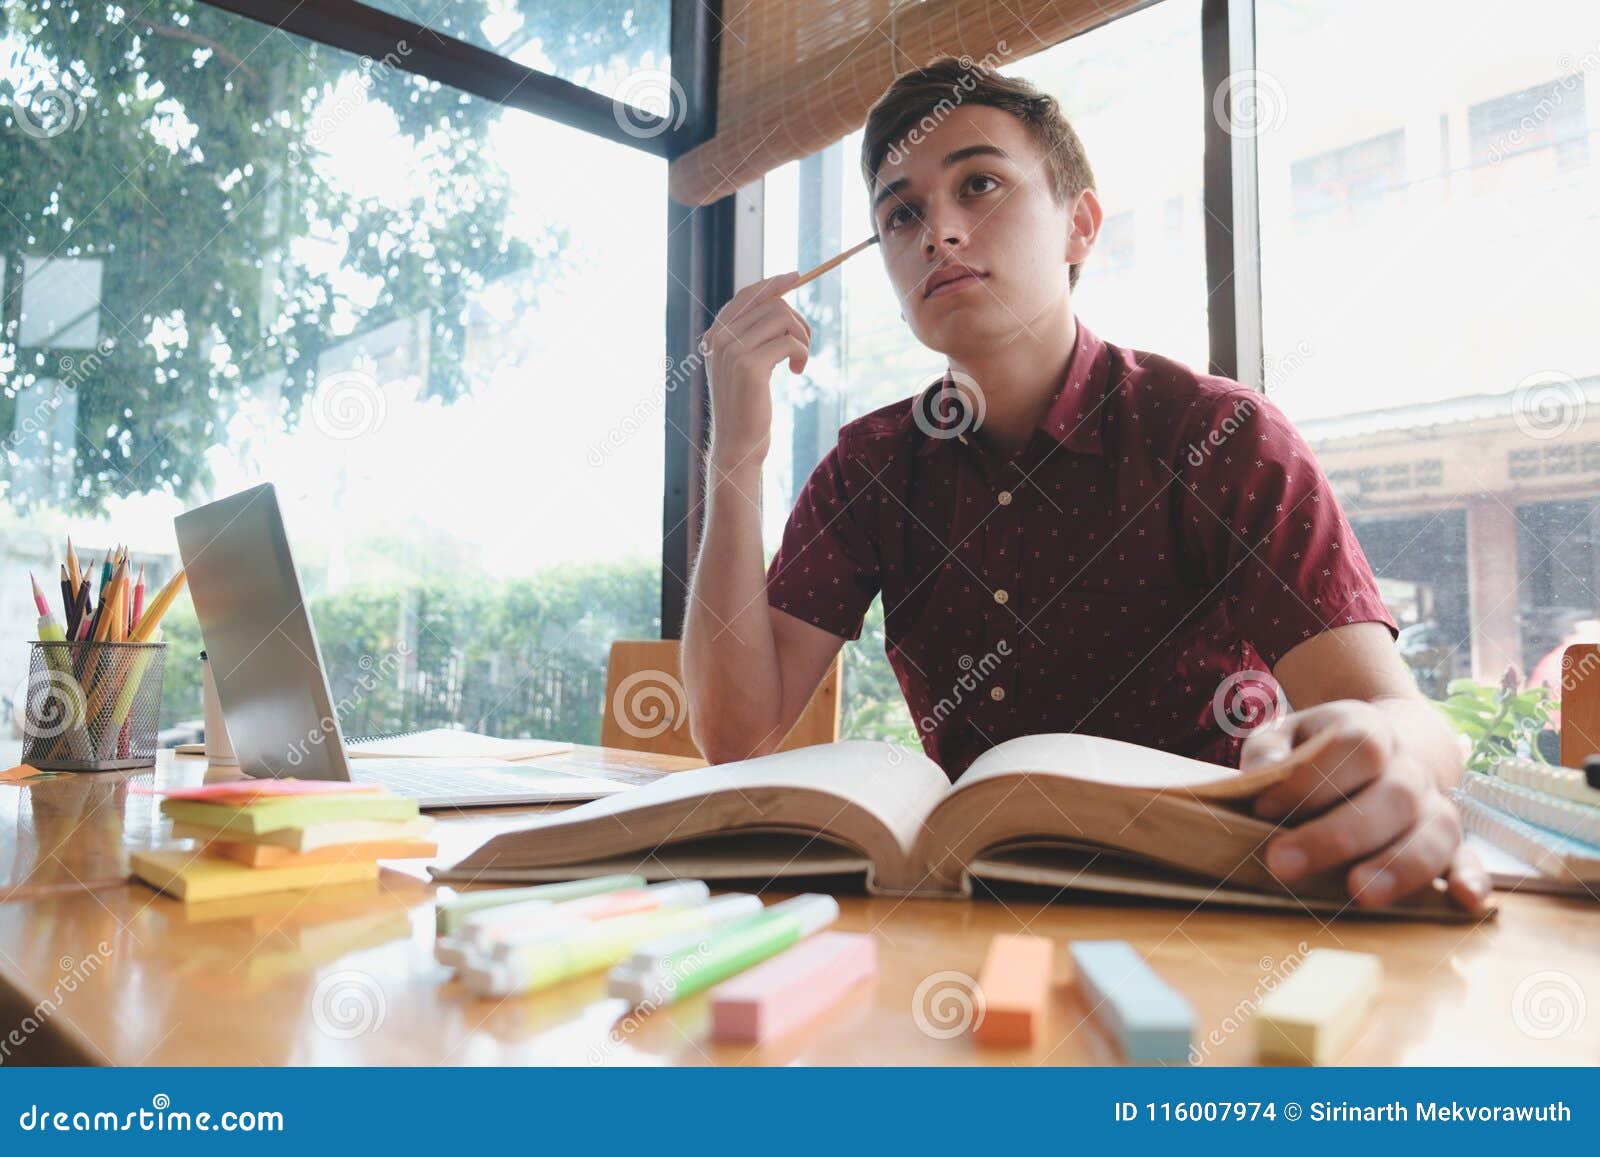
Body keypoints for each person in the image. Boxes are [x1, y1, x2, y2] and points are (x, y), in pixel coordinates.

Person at [681, 57, 1487, 914]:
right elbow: (738, 733)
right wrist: (735, 448)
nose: (938, 233)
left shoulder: (1219, 437)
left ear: (1081, 225)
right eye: (902, 214)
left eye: (980, 185)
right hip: (970, 911)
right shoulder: (871, 465)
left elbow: (1400, 717)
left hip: (1217, 903)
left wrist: (1392, 753)